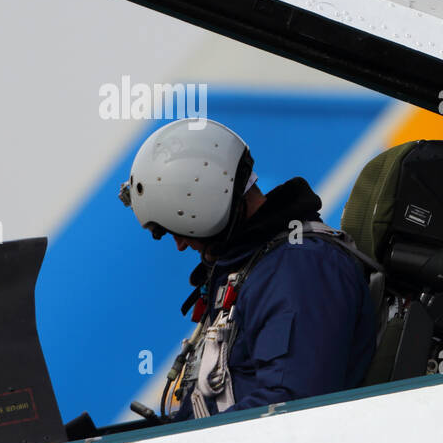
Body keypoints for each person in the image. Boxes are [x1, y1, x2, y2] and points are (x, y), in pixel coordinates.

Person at [119, 119, 377, 420]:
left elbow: (291, 408)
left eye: (176, 230)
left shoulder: (302, 268)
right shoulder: (252, 269)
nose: (179, 244)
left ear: (199, 201)